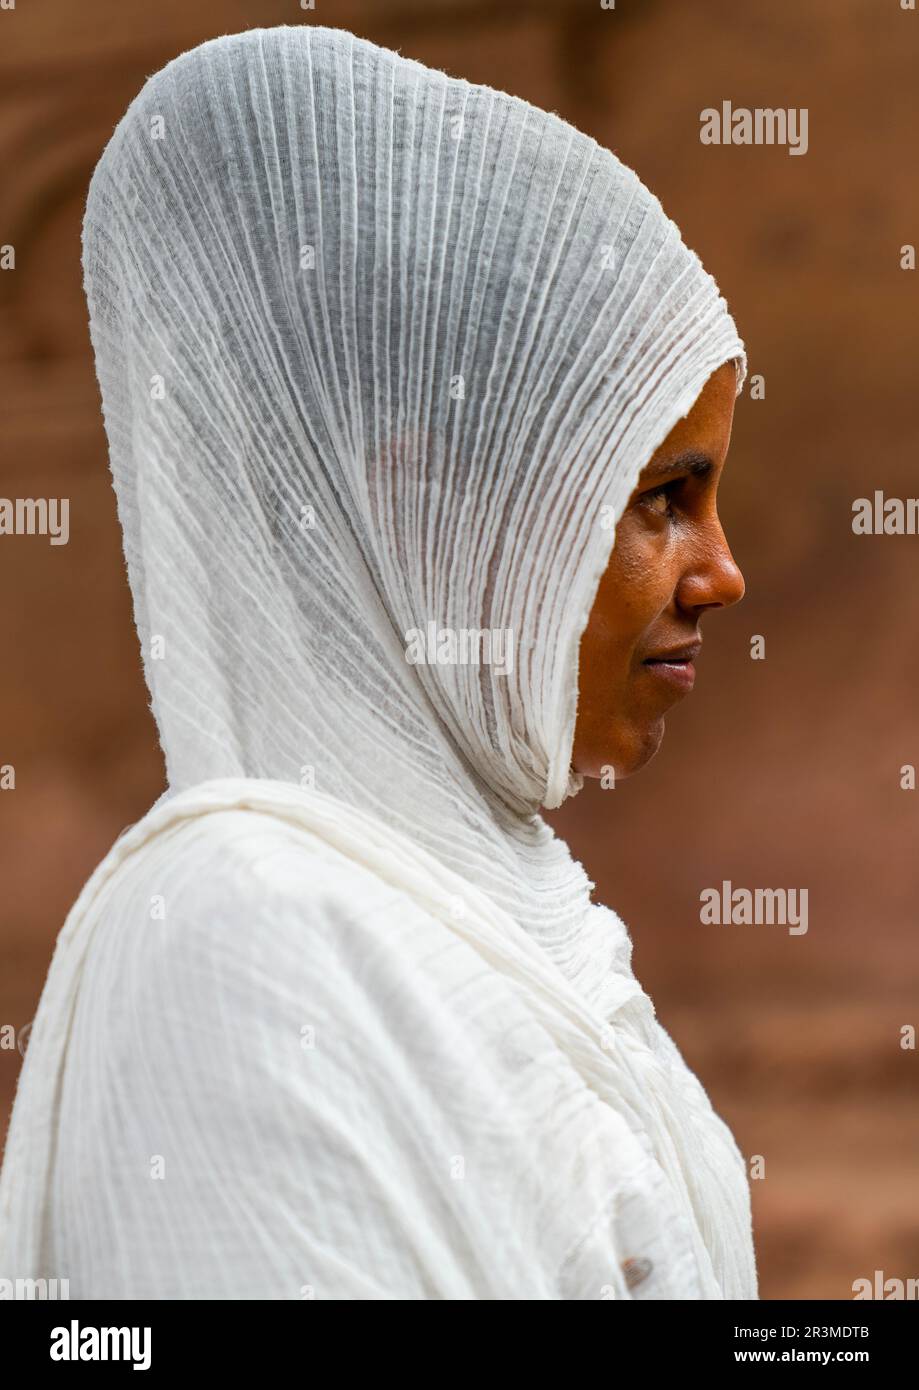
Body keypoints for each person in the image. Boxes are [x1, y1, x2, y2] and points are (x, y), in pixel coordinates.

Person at [0, 25, 758, 1299]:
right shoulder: (238, 942)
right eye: (661, 497)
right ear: (433, 512)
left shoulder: (526, 919)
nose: (721, 571)